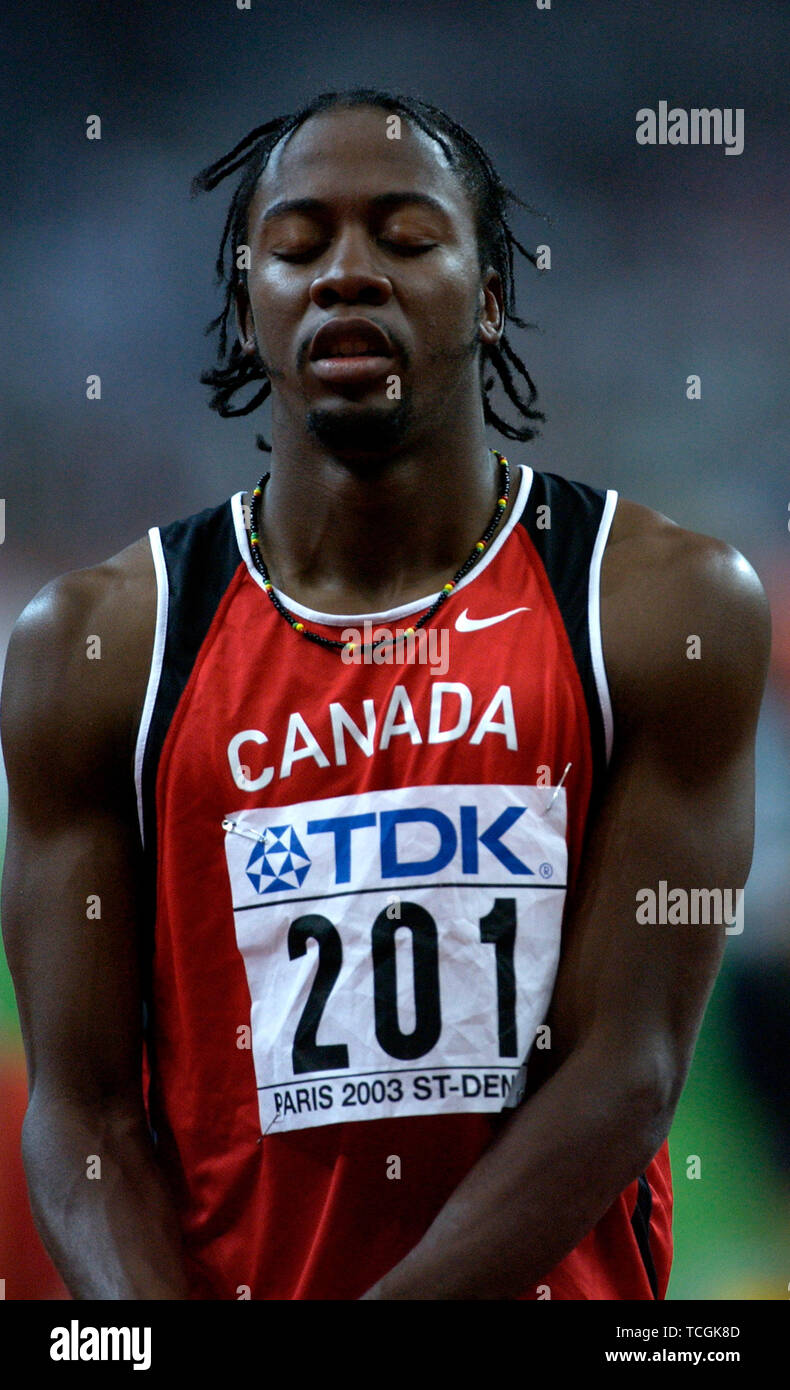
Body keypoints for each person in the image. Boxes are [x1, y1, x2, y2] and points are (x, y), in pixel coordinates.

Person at [0, 89, 770, 1300]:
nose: (345, 274)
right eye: (297, 247)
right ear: (249, 305)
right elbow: (80, 1114)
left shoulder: (658, 607)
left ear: (492, 290)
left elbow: (627, 1068)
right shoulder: (99, 644)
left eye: (405, 238)